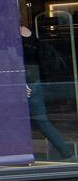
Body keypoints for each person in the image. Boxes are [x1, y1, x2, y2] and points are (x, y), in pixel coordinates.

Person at [21, 24, 77, 160]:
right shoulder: (28, 32)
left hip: (26, 83)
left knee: (31, 120)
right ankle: (66, 153)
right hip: (35, 81)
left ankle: (17, 155)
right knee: (40, 119)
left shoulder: (8, 35)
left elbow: (11, 60)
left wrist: (19, 82)